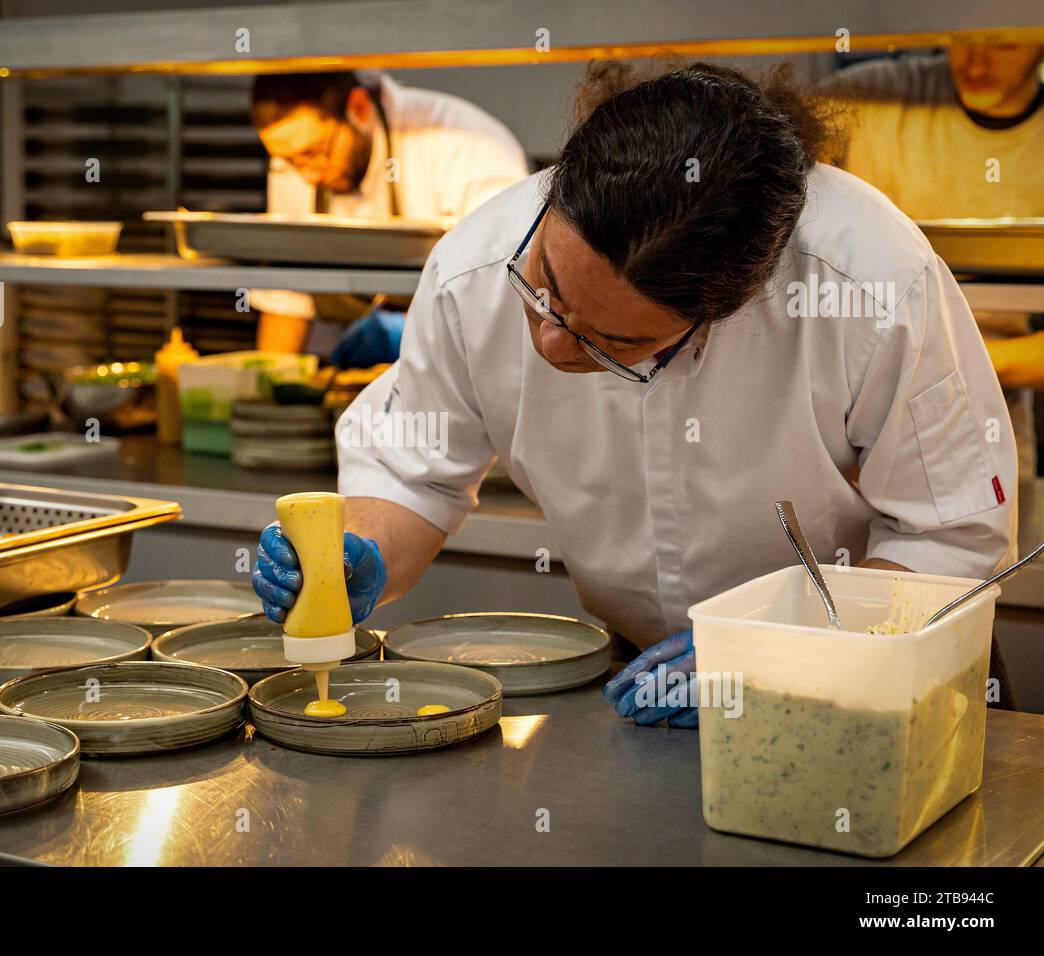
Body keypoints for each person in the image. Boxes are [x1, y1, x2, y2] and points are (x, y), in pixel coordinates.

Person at [253, 63, 1018, 727]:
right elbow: (411, 476)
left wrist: (782, 651)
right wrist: (365, 551)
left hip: (868, 688)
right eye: (546, 287)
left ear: (724, 313)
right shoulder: (475, 267)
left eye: (612, 344)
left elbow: (947, 538)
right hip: (646, 680)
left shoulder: (868, 283)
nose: (550, 341)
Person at [828, 42, 1044, 498]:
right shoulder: (876, 98)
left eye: (1004, 45)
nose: (976, 61)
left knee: (966, 563)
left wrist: (957, 365)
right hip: (838, 421)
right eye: (962, 40)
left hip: (979, 425)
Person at [247, 70, 529, 366]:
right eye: (291, 163)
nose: (308, 176)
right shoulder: (297, 161)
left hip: (466, 363)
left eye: (316, 153)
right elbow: (286, 299)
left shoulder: (461, 142)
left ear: (358, 108)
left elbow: (506, 283)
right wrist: (264, 390)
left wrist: (411, 334)